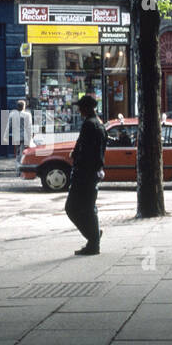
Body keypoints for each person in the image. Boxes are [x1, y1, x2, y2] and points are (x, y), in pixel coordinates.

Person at [65, 93, 106, 255]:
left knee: (73, 208)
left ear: (87, 108)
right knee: (88, 207)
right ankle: (93, 238)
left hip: (85, 173)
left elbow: (88, 151)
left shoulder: (90, 125)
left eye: (81, 107)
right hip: (91, 173)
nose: (79, 110)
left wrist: (76, 157)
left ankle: (93, 238)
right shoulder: (98, 124)